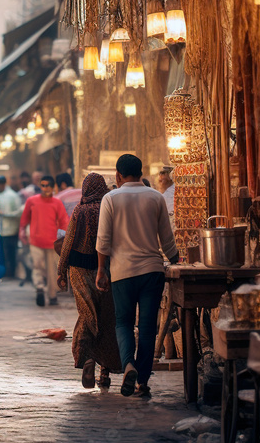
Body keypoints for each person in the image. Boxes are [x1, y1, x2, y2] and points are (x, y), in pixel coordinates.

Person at [96, 154, 179, 398]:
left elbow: (103, 241)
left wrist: (102, 270)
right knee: (147, 326)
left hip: (122, 272)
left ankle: (128, 364)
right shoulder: (155, 197)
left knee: (122, 322)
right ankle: (142, 381)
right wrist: (176, 261)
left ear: (118, 176)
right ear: (141, 173)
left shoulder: (110, 199)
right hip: (152, 271)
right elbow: (167, 239)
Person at [57, 173, 122, 389]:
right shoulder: (109, 208)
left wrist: (61, 270)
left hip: (79, 269)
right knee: (106, 317)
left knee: (87, 313)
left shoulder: (80, 210)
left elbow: (68, 242)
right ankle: (105, 373)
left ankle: (86, 359)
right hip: (107, 268)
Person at [20, 174, 69, 307]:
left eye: (48, 185)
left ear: (53, 187)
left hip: (52, 242)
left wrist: (63, 237)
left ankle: (52, 296)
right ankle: (40, 288)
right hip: (35, 240)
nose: (45, 188)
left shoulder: (57, 202)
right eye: (43, 185)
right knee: (37, 266)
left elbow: (64, 220)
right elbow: (24, 218)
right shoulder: (32, 201)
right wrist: (22, 231)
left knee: (52, 270)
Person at [0, 175, 22, 280]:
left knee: (11, 253)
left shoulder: (12, 196)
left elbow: (18, 212)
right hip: (1, 230)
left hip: (11, 229)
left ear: (3, 184)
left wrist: (5, 213)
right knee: (4, 253)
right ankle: (7, 272)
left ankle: (12, 273)